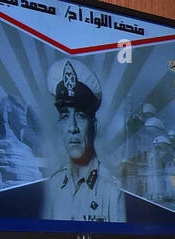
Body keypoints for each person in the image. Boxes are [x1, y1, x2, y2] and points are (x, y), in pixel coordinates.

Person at [42, 59, 124, 223]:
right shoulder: (53, 186)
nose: (72, 128)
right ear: (59, 125)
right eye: (65, 116)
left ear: (94, 126)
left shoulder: (112, 190)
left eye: (80, 116)